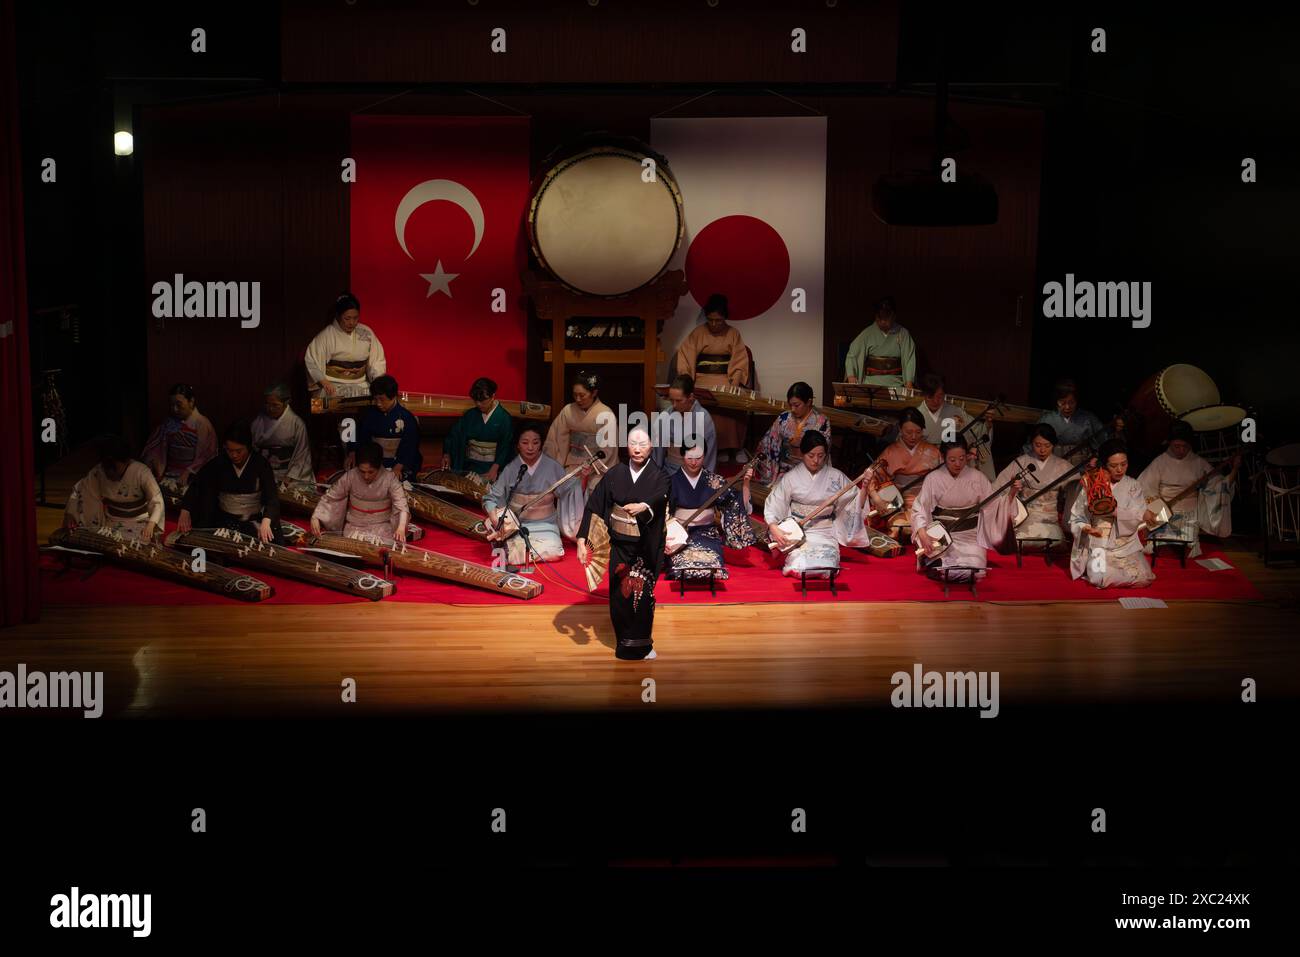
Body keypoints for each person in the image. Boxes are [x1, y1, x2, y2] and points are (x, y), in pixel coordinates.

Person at [577, 428, 670, 661]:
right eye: (632, 443)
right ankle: (624, 644)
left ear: (651, 446)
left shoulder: (660, 476)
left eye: (643, 443)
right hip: (620, 546)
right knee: (620, 597)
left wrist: (644, 506)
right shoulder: (614, 474)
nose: (637, 448)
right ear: (626, 445)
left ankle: (642, 645)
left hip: (645, 547)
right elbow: (594, 506)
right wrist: (581, 540)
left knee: (642, 597)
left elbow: (661, 496)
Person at [912, 436, 1021, 584]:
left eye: (962, 458)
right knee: (948, 568)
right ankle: (934, 563)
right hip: (941, 535)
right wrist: (922, 533)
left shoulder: (978, 477)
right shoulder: (933, 478)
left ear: (967, 456)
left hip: (969, 535)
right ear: (943, 457)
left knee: (977, 573)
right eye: (952, 460)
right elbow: (920, 508)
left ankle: (937, 567)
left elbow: (993, 507)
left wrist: (1012, 492)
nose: (958, 464)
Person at [763, 431, 872, 577]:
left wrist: (864, 487)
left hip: (825, 532)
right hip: (798, 533)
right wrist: (773, 526)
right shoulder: (791, 477)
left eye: (821, 456)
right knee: (799, 565)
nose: (816, 460)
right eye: (811, 455)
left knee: (827, 566)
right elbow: (775, 502)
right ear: (802, 454)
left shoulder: (836, 477)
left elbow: (854, 502)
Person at [1136, 421, 1239, 559]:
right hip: (1164, 513)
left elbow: (1217, 486)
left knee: (1187, 550)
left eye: (1185, 446)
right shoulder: (1160, 462)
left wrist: (1235, 470)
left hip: (1189, 515)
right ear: (1169, 443)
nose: (1181, 450)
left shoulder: (1198, 463)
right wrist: (1153, 509)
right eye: (1176, 446)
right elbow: (1144, 487)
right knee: (1159, 549)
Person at [483, 426, 581, 567]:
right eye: (525, 442)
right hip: (516, 525)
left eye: (535, 442)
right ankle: (514, 551)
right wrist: (494, 518)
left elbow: (567, 492)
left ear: (541, 443)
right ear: (517, 444)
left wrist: (581, 478)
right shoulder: (511, 468)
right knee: (513, 543)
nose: (530, 447)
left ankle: (513, 554)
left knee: (554, 551)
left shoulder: (552, 466)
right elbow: (491, 498)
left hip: (545, 524)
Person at [178, 421, 284, 544]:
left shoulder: (261, 464)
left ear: (248, 447)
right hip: (224, 520)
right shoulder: (218, 463)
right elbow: (197, 485)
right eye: (229, 450)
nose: (233, 455)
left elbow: (272, 497)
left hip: (254, 519)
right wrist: (185, 511)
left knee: (267, 545)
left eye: (239, 451)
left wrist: (266, 521)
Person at [543, 370, 620, 538]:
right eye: (575, 395)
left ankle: (593, 533)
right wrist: (556, 465)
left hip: (597, 466)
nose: (578, 399)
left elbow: (608, 450)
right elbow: (558, 440)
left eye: (582, 395)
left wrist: (591, 467)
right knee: (566, 483)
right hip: (572, 461)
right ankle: (569, 531)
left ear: (594, 393)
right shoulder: (568, 411)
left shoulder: (605, 414)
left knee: (596, 489)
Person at [674, 293, 751, 461]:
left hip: (726, 378)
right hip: (701, 378)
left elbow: (739, 360)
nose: (714, 324)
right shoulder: (698, 333)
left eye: (719, 320)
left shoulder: (733, 334)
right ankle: (713, 447)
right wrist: (687, 381)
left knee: (733, 401)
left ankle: (735, 447)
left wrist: (735, 383)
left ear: (725, 318)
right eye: (711, 320)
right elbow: (685, 357)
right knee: (702, 399)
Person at [664, 443, 756, 582]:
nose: (694, 462)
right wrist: (667, 535)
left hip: (707, 533)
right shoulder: (671, 482)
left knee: (712, 565)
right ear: (683, 456)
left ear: (705, 456)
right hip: (680, 535)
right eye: (690, 458)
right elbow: (662, 512)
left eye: (698, 458)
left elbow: (736, 504)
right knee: (681, 566)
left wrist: (746, 482)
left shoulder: (715, 481)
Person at [1068, 440, 1154, 588]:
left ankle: (1114, 573)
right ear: (1104, 464)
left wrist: (1115, 511)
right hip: (1099, 544)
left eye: (1124, 464)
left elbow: (1137, 514)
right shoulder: (1091, 484)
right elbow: (1076, 517)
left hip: (1124, 545)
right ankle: (1096, 569)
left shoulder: (1133, 485)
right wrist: (1087, 528)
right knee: (1098, 578)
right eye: (1113, 466)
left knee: (1145, 578)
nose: (1120, 469)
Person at [64, 434, 165, 542]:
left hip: (138, 522)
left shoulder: (141, 472)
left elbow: (156, 500)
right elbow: (81, 490)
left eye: (114, 466)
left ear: (126, 461)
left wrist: (150, 524)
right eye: (107, 466)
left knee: (137, 545)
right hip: (111, 522)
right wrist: (71, 514)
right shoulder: (99, 472)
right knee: (101, 541)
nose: (110, 472)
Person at [864, 407, 941, 547]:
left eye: (918, 432)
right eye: (908, 432)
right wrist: (876, 498)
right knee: (898, 528)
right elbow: (871, 476)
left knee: (925, 523)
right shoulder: (891, 452)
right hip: (898, 502)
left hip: (926, 500)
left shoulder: (933, 452)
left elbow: (944, 478)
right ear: (900, 429)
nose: (913, 437)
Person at [311, 441, 410, 544]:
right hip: (355, 525)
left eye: (371, 472)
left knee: (383, 548)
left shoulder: (389, 478)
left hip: (382, 527)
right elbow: (331, 497)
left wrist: (401, 528)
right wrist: (316, 517)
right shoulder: (351, 476)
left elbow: (401, 505)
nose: (366, 476)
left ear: (379, 466)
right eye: (362, 471)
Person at [995, 423, 1074, 548]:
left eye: (1047, 446)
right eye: (1038, 445)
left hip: (1049, 519)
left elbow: (1076, 491)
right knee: (1017, 542)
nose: (1042, 450)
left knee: (1055, 542)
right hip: (1025, 516)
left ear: (1053, 444)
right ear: (1031, 443)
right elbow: (998, 488)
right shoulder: (1021, 462)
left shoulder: (1063, 466)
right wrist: (1013, 491)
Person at [304, 292, 387, 399]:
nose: (352, 322)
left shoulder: (367, 333)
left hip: (361, 384)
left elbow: (377, 360)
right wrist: (324, 381)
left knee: (375, 398)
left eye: (355, 318)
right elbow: (312, 362)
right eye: (347, 318)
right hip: (333, 385)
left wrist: (377, 381)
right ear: (338, 316)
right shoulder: (326, 336)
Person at [916, 373, 995, 480]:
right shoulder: (916, 416)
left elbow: (980, 434)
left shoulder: (956, 412)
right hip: (925, 470)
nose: (936, 401)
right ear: (923, 395)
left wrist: (988, 423)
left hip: (955, 467)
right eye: (931, 397)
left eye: (940, 396)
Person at [753, 381, 833, 485]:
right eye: (790, 405)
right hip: (786, 468)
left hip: (811, 468)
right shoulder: (784, 418)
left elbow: (823, 450)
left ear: (808, 402)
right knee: (781, 489)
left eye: (796, 405)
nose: (792, 409)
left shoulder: (821, 421)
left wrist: (802, 445)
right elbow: (769, 443)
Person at [141, 383, 217, 491]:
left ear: (191, 402)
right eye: (172, 405)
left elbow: (206, 454)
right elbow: (156, 447)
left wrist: (189, 471)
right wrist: (154, 464)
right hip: (167, 472)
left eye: (179, 405)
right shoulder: (168, 422)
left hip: (191, 474)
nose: (175, 409)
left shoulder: (202, 424)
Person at [350, 374, 422, 481]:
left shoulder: (407, 418)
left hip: (399, 464)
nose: (378, 403)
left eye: (382, 399)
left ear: (393, 396)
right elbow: (362, 439)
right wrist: (353, 453)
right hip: (375, 463)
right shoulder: (369, 415)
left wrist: (398, 467)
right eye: (375, 399)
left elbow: (410, 447)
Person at [442, 377, 513, 481]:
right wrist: (447, 453)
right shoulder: (470, 415)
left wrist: (496, 467)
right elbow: (454, 435)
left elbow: (506, 446)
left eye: (483, 401)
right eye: (476, 401)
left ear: (493, 396)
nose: (479, 404)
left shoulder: (504, 418)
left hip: (492, 468)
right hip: (469, 468)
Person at [1030, 378, 1111, 464]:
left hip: (1082, 466)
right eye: (1062, 402)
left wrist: (1096, 457)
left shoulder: (1087, 418)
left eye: (1071, 402)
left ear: (1077, 401)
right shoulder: (1047, 419)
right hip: (1054, 466)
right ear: (1056, 401)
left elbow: (1103, 440)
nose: (1067, 407)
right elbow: (1032, 444)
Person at [651, 374, 718, 476]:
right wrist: (655, 475)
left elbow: (709, 457)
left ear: (690, 397)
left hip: (695, 472)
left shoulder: (704, 418)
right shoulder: (666, 415)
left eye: (678, 400)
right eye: (671, 400)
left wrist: (705, 479)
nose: (674, 405)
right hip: (669, 470)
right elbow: (658, 453)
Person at [844, 296, 916, 389]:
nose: (882, 321)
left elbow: (909, 359)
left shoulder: (903, 334)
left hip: (896, 384)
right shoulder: (867, 334)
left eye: (886, 318)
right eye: (880, 318)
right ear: (875, 316)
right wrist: (851, 376)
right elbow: (852, 355)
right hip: (871, 384)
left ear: (894, 316)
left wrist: (909, 381)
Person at [251, 384, 314, 485]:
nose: (270, 408)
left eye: (275, 405)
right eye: (267, 404)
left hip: (288, 470)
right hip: (263, 469)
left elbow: (302, 453)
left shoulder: (296, 423)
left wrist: (290, 476)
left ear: (286, 402)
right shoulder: (259, 421)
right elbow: (252, 447)